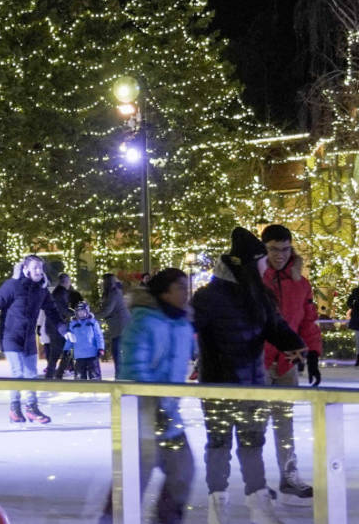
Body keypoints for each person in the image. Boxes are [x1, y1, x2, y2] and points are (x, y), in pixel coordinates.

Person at [192, 227, 305, 524]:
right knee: (219, 445)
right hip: (218, 386)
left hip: (253, 385)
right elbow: (186, 327)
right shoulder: (209, 297)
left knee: (252, 444)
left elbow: (275, 327)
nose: (266, 266)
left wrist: (297, 346)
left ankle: (258, 505)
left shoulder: (258, 295)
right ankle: (218, 507)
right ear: (249, 264)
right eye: (262, 261)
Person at [100, 268, 195, 524]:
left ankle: (167, 519)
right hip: (141, 412)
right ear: (164, 293)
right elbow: (134, 368)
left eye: (186, 287)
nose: (186, 293)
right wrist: (154, 403)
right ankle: (112, 519)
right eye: (180, 288)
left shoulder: (183, 323)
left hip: (169, 412)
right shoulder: (144, 322)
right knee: (134, 476)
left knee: (182, 470)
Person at [259, 224, 322, 505]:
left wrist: (313, 354)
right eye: (274, 249)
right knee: (255, 425)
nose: (280, 255)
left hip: (287, 362)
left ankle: (289, 475)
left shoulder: (300, 283)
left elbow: (308, 321)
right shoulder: (254, 279)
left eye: (285, 249)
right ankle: (256, 481)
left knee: (284, 422)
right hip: (258, 362)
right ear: (264, 249)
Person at [0, 255, 66, 424]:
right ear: (25, 269)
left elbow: (52, 311)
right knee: (18, 371)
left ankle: (31, 408)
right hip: (11, 336)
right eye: (35, 267)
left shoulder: (41, 289)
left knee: (31, 373)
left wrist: (63, 330)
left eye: (41, 267)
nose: (39, 271)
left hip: (29, 338)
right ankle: (15, 408)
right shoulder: (12, 285)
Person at [48, 273, 82, 378]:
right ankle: (54, 375)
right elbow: (62, 309)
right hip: (57, 327)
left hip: (56, 326)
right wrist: (75, 314)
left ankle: (56, 374)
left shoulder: (58, 292)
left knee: (63, 352)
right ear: (67, 282)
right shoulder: (61, 293)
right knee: (63, 352)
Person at [97, 273, 130, 374]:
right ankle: (120, 374)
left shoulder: (114, 293)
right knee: (117, 351)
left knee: (117, 351)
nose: (102, 284)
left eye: (103, 282)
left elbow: (107, 309)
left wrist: (93, 316)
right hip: (118, 325)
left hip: (120, 325)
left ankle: (120, 375)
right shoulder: (112, 292)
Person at [64, 302, 103, 380]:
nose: (81, 314)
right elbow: (70, 339)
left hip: (92, 354)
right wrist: (66, 349)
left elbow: (99, 336)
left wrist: (101, 348)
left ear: (87, 312)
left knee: (95, 376)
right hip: (79, 356)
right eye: (79, 312)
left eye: (83, 312)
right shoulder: (73, 324)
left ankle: (96, 385)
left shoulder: (93, 323)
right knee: (80, 378)